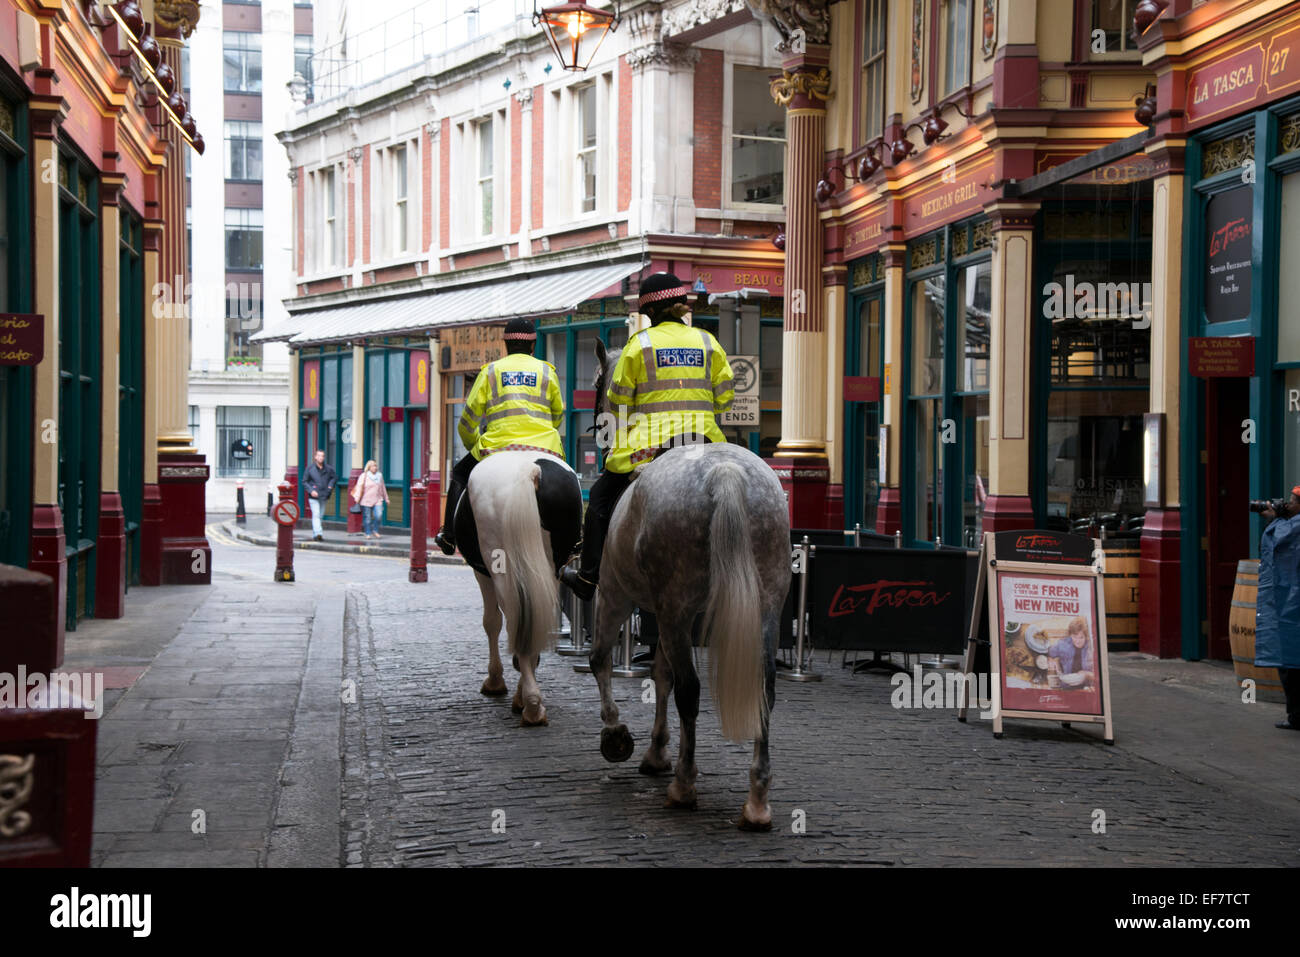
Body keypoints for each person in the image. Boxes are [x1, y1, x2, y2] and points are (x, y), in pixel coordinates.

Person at [560, 272, 735, 601]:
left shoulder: (639, 345)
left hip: (651, 445)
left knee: (599, 500)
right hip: (705, 442)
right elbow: (726, 398)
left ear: (650, 312)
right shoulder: (708, 342)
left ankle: (587, 577)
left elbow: (618, 401)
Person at [433, 316, 565, 555]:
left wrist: (476, 445)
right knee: (567, 480)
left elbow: (467, 422)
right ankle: (575, 540)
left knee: (460, 473)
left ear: (506, 344)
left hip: (497, 447)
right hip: (545, 447)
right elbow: (558, 415)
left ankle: (449, 536)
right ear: (533, 345)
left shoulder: (491, 372)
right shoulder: (547, 372)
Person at [1257, 488, 1300, 731]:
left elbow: (1277, 543)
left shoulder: (1293, 526)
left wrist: (1275, 518)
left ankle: (1296, 716)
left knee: (1290, 663)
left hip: (1292, 604)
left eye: (1293, 501)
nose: (1289, 504)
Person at [1047, 616, 1094, 686]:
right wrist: (1051, 661)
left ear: (1086, 636)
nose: (1078, 641)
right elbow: (1048, 654)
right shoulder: (1063, 644)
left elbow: (1101, 675)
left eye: (1081, 637)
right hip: (1066, 685)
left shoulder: (1092, 648)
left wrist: (1087, 674)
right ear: (1070, 635)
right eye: (1075, 637)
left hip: (1087, 688)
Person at [303, 449, 337, 542]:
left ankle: (315, 533)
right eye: (319, 456)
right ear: (315, 457)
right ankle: (319, 533)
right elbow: (304, 481)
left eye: (322, 456)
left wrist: (330, 486)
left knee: (320, 515)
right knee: (316, 514)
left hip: (324, 495)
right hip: (313, 496)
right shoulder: (310, 469)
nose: (320, 458)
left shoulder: (329, 469)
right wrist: (311, 491)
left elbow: (334, 478)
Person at [351, 459, 389, 539]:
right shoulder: (364, 476)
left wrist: (386, 498)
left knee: (379, 515)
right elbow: (359, 487)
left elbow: (383, 487)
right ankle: (367, 533)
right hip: (365, 500)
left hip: (377, 499)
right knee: (367, 518)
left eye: (376, 465)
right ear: (369, 467)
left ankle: (375, 530)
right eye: (373, 466)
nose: (375, 467)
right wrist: (357, 499)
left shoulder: (379, 476)